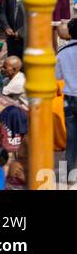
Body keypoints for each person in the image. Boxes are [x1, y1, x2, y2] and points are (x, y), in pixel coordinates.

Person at [55, 16, 77, 180]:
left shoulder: (62, 53)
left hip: (69, 98)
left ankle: (70, 173)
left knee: (71, 138)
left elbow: (58, 75)